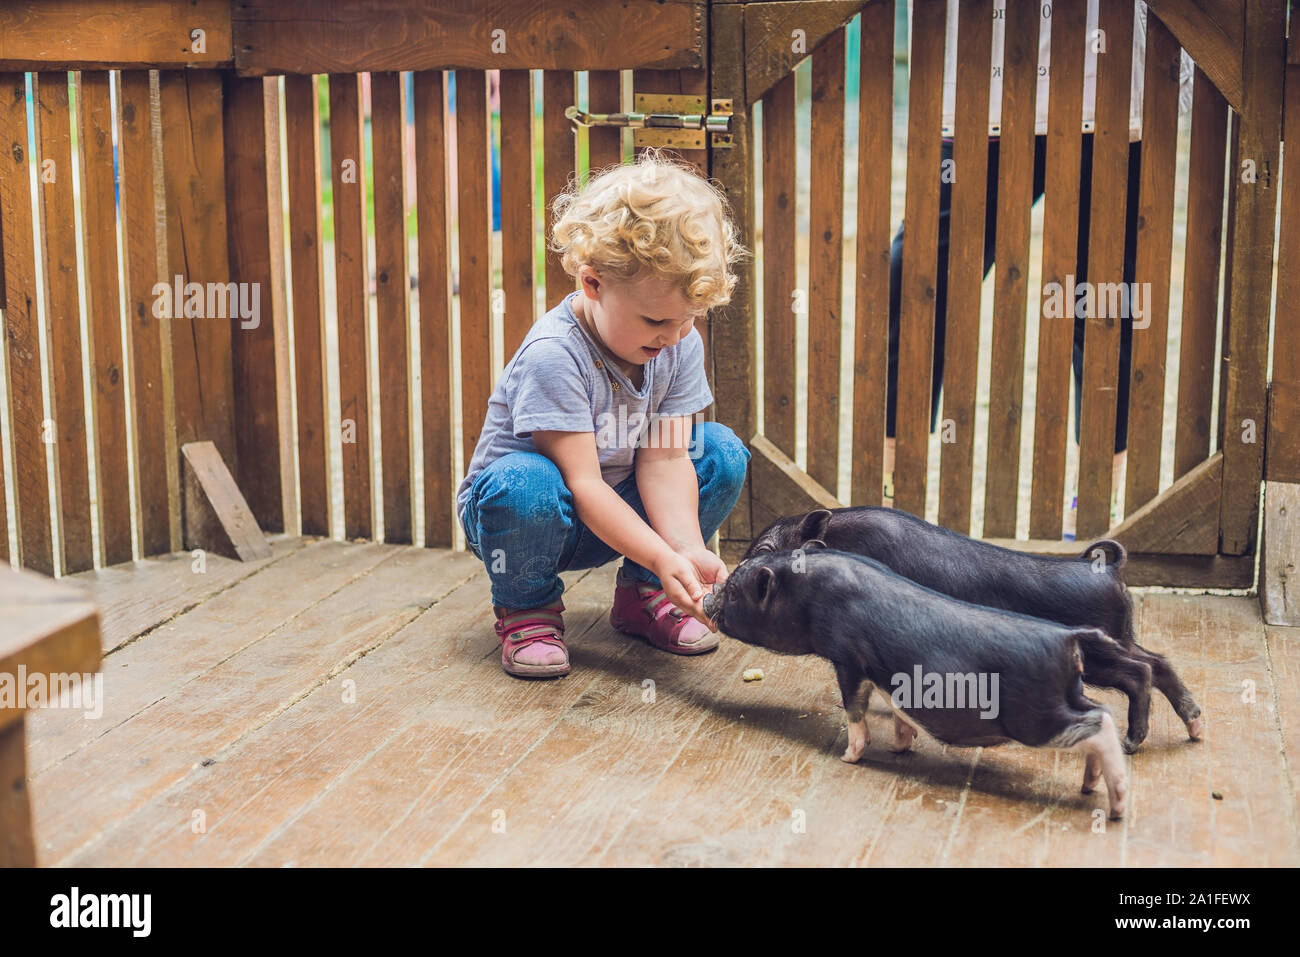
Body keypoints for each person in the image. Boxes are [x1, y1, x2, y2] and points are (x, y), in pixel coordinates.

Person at [885, 0, 1190, 525]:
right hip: (983, 82)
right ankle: (892, 480)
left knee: (1103, 294)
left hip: (1107, 85)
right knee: (917, 275)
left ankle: (1096, 495)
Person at [457, 148, 752, 678]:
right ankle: (528, 610)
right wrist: (663, 552)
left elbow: (663, 461)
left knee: (721, 450)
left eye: (688, 320)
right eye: (656, 319)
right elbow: (584, 484)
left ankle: (645, 595)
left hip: (620, 511)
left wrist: (681, 549)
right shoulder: (555, 355)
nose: (673, 336)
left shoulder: (677, 340)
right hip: (537, 518)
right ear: (592, 283)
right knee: (524, 482)